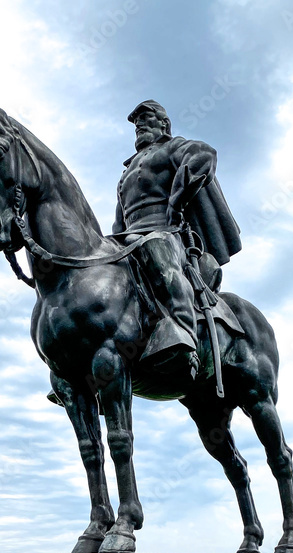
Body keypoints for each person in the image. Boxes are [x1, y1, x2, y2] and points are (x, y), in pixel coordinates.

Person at [113, 100, 242, 378]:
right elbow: (119, 221)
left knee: (153, 245)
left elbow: (204, 154)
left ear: (164, 124)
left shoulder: (172, 147)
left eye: (146, 119)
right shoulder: (125, 175)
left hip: (168, 235)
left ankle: (182, 336)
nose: (139, 125)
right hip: (129, 238)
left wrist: (176, 199)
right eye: (137, 122)